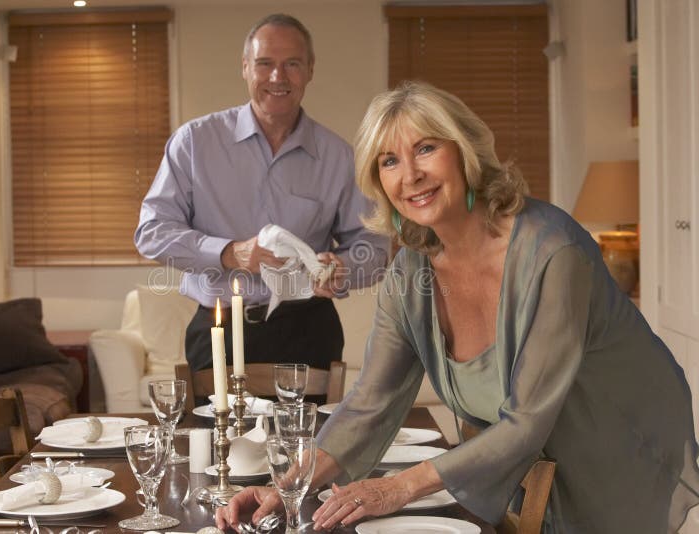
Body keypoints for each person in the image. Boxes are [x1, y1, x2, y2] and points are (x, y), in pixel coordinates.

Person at [216, 81, 699, 533]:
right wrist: (285, 487)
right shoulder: (410, 275)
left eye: (426, 148)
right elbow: (370, 402)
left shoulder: (553, 252)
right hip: (527, 461)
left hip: (615, 439)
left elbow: (527, 418)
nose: (410, 176)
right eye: (389, 161)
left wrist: (397, 487)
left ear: (464, 151)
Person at [134, 14, 388, 372]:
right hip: (219, 328)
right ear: (245, 67)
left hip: (309, 330)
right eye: (265, 63)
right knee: (217, 430)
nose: (277, 77)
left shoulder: (340, 157)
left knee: (311, 432)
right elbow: (151, 233)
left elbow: (374, 246)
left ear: (311, 70)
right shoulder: (193, 143)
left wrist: (345, 267)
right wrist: (229, 253)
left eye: (292, 64)